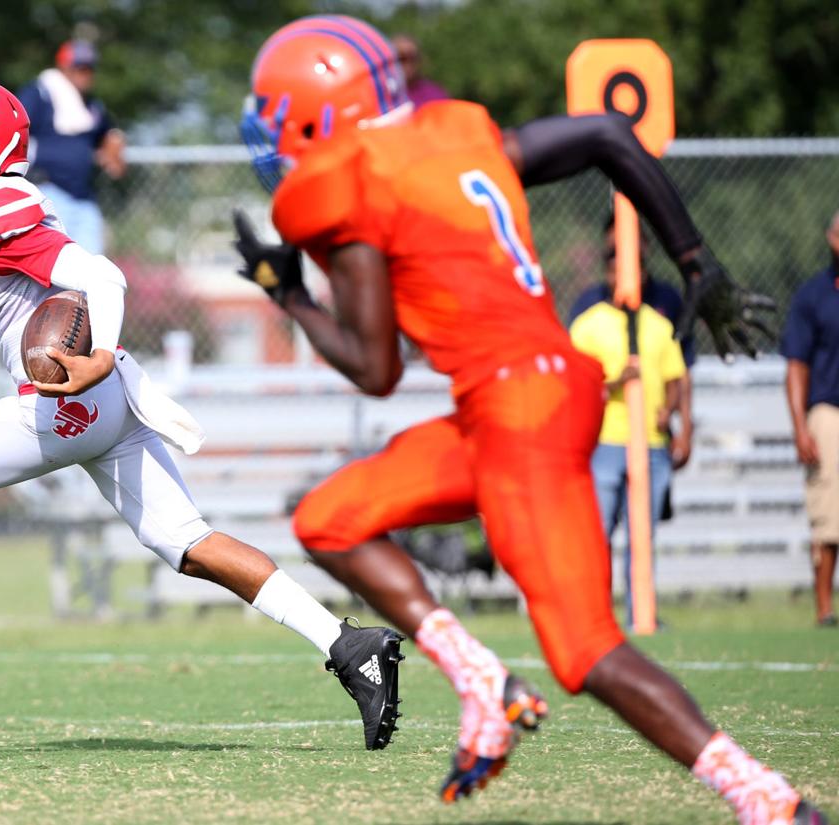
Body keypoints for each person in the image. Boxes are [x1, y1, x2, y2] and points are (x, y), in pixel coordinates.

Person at [234, 15, 821, 824]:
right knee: (330, 517)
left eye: (277, 114)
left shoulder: (348, 179)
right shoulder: (458, 128)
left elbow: (377, 370)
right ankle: (484, 685)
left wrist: (291, 296)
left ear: (313, 114)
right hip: (520, 400)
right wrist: (697, 261)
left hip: (519, 412)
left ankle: (766, 799)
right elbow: (610, 135)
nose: (271, 135)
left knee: (586, 651)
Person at [0, 76, 404, 752]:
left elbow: (102, 277)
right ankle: (351, 646)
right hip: (100, 401)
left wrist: (101, 355)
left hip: (68, 400)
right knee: (187, 543)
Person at [569, 253, 687, 629]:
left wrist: (671, 411)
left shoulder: (658, 325)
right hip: (604, 442)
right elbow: (575, 385)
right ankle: (594, 617)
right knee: (596, 535)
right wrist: (617, 381)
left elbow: (675, 379)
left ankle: (642, 614)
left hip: (651, 445)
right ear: (608, 274)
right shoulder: (589, 326)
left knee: (643, 536)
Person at [569, 215, 695, 471]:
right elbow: (574, 380)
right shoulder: (588, 306)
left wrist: (684, 428)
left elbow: (681, 372)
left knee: (651, 504)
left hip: (654, 433)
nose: (622, 257)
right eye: (614, 250)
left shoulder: (667, 299)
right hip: (602, 436)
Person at [781, 209, 839, 628]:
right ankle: (824, 609)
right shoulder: (813, 295)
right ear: (832, 239)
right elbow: (796, 365)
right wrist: (801, 425)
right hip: (829, 412)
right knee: (830, 514)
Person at [15, 39, 125, 255]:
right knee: (53, 267)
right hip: (47, 192)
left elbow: (110, 133)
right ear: (65, 68)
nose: (86, 74)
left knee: (93, 268)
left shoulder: (91, 105)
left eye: (89, 68)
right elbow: (16, 126)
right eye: (80, 68)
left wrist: (114, 146)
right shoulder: (41, 93)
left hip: (83, 196)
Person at [391, 34, 450, 108]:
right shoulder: (381, 93)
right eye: (402, 58)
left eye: (413, 58)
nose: (408, 64)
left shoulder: (435, 95)